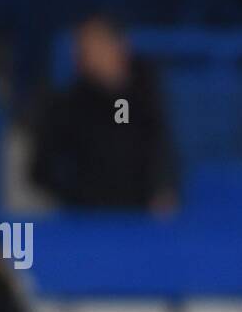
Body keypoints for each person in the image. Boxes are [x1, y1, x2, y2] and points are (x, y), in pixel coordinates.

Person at [30, 15, 179, 210]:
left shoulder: (146, 93)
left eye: (95, 45)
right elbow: (41, 168)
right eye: (82, 48)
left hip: (144, 217)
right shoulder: (70, 104)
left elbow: (162, 147)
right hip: (89, 218)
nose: (85, 55)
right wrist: (76, 199)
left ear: (119, 46)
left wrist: (163, 189)